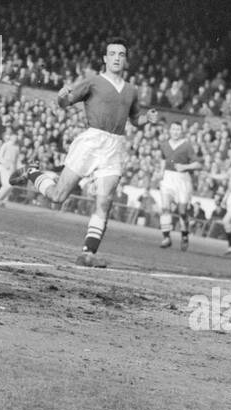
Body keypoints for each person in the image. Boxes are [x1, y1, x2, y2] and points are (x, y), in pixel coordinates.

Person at [13, 40, 157, 267]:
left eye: (121, 54)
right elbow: (64, 102)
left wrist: (146, 119)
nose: (117, 57)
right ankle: (32, 172)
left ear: (126, 59)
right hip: (91, 141)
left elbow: (135, 119)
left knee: (105, 201)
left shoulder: (132, 90)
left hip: (115, 146)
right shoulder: (93, 82)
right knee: (58, 197)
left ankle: (88, 253)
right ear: (105, 59)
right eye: (112, 54)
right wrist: (61, 96)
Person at [158, 121, 202, 250]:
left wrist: (185, 166)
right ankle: (166, 237)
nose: (175, 132)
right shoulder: (164, 144)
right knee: (165, 208)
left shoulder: (187, 145)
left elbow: (198, 164)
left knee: (182, 211)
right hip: (167, 178)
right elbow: (163, 158)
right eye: (173, 129)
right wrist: (161, 172)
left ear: (181, 131)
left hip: (182, 179)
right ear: (170, 130)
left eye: (178, 129)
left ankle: (184, 235)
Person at [0, 129, 22, 207]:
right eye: (14, 137)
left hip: (12, 169)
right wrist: (5, 163)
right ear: (11, 137)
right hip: (5, 168)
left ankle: (1, 201)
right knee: (7, 185)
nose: (15, 138)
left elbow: (17, 159)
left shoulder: (17, 147)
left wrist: (19, 167)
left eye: (16, 137)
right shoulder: (6, 145)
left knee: (9, 186)